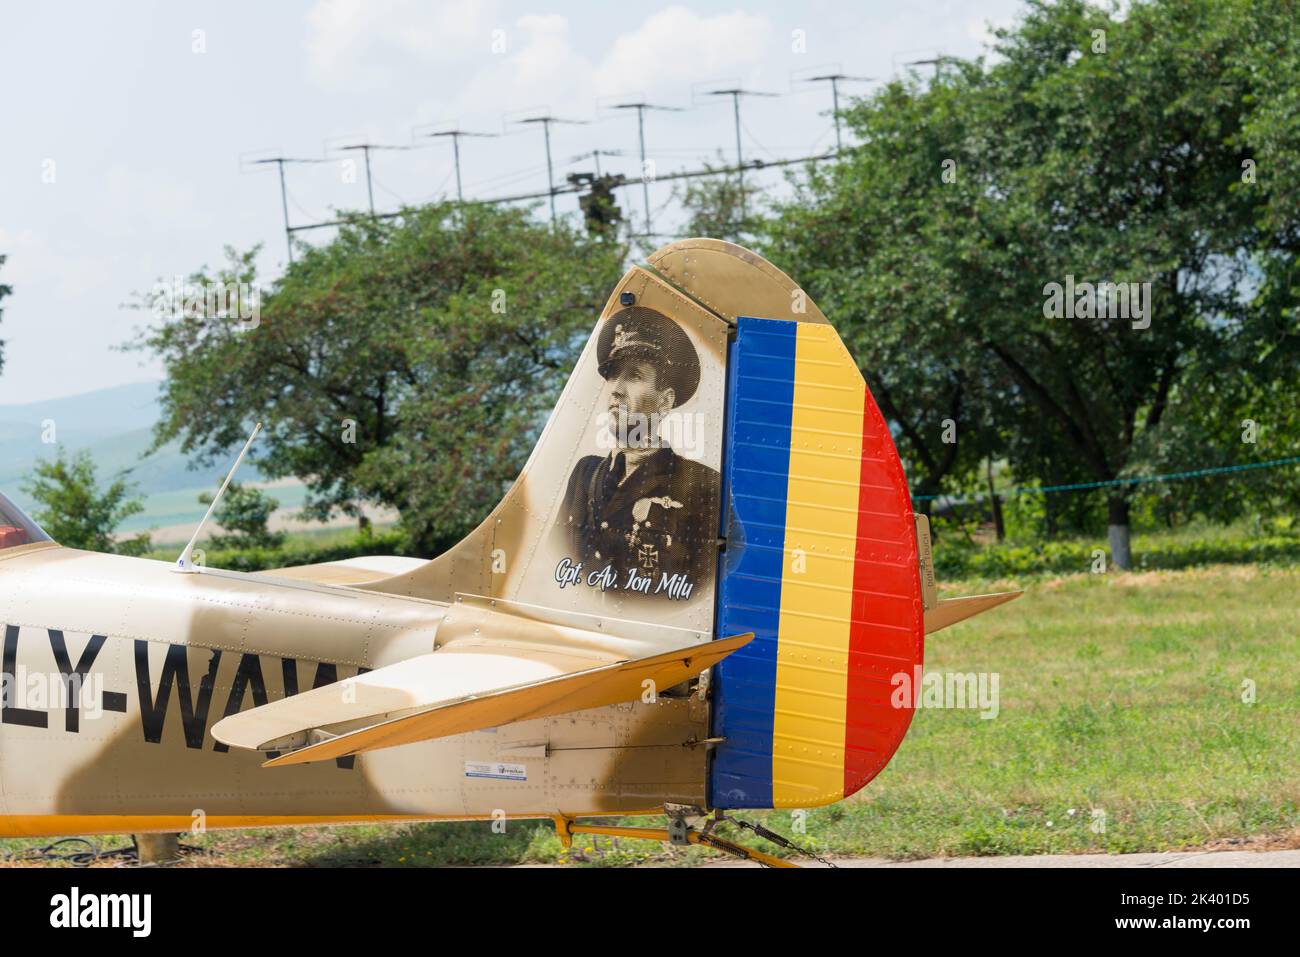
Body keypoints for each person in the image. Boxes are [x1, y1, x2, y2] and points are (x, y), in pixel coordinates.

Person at [558, 306, 720, 595]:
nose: (615, 390)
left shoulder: (703, 484)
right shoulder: (585, 473)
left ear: (665, 401)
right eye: (612, 375)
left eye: (634, 376)